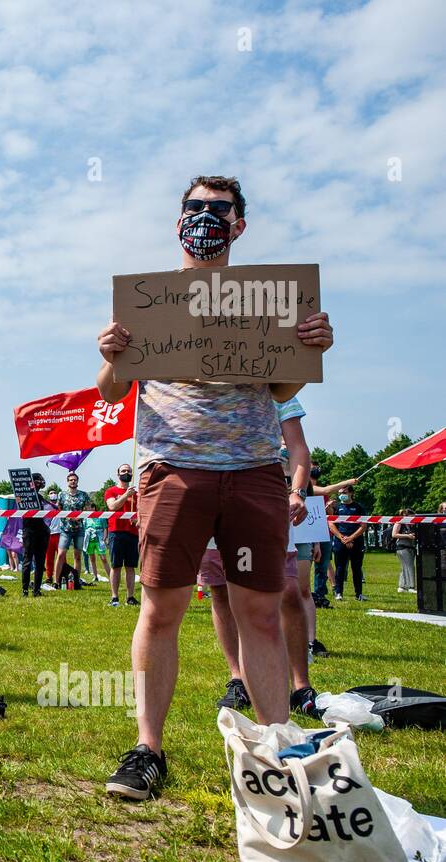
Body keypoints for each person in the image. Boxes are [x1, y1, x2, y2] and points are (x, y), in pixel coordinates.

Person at [94, 174, 333, 800]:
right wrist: (113, 353)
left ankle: (277, 748)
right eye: (194, 208)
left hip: (254, 467)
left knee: (259, 608)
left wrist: (307, 353)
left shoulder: (270, 301)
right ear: (178, 219)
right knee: (161, 607)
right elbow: (113, 391)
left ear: (239, 224)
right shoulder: (150, 300)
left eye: (218, 209)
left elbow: (279, 392)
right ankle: (148, 749)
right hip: (172, 468)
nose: (205, 217)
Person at [207, 398, 321, 717]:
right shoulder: (200, 376)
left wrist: (297, 491)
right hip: (208, 495)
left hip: (263, 498)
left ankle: (300, 685)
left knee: (287, 591)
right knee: (219, 590)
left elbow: (299, 447)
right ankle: (238, 678)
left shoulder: (275, 379)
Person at [307, 468, 357, 607]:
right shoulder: (305, 486)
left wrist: (328, 508)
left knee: (322, 567)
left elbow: (328, 513)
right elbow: (326, 490)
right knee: (306, 565)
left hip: (322, 532)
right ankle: (306, 595)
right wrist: (348, 482)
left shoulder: (318, 490)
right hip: (307, 532)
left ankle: (319, 595)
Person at [105, 464, 140, 607]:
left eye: (129, 471)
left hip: (132, 533)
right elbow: (112, 507)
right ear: (118, 473)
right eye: (124, 471)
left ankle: (130, 597)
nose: (126, 473)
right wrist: (126, 495)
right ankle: (115, 597)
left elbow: (141, 512)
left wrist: (137, 518)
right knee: (116, 566)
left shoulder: (137, 494)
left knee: (131, 567)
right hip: (116, 532)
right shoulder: (111, 491)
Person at [55, 471, 92, 586]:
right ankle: (56, 581)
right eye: (71, 480)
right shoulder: (62, 494)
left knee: (77, 556)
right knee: (61, 555)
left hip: (79, 529)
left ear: (77, 481)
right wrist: (67, 516)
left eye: (74, 480)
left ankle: (76, 581)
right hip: (65, 529)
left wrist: (80, 516)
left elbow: (89, 509)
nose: (73, 481)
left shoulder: (83, 495)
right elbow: (57, 509)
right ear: (67, 482)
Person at [330, 486, 365, 601]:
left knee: (356, 568)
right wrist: (342, 538)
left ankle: (359, 594)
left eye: (344, 492)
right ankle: (338, 593)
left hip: (356, 541)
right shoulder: (336, 507)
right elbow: (331, 524)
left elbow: (363, 526)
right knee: (340, 568)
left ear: (351, 493)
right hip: (340, 542)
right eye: (339, 492)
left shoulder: (359, 507)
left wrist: (351, 538)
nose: (341, 494)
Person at [20, 473, 51, 597]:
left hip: (41, 531)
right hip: (29, 531)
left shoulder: (40, 497)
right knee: (27, 560)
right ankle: (25, 590)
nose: (40, 483)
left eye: (41, 481)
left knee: (39, 562)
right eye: (37, 481)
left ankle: (36, 590)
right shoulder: (24, 497)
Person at [393, 507, 417, 593]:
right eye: (412, 517)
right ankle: (411, 587)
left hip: (410, 547)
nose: (413, 519)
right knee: (410, 566)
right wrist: (408, 536)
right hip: (402, 547)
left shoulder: (410, 525)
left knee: (405, 567)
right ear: (406, 516)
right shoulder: (399, 522)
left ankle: (402, 587)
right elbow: (394, 534)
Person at [84, 513, 109, 582]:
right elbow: (85, 529)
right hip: (89, 542)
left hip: (99, 541)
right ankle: (95, 577)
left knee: (103, 559)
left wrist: (104, 538)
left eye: (90, 508)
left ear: (93, 508)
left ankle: (111, 577)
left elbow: (105, 528)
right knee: (92, 559)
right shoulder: (86, 518)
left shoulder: (101, 517)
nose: (88, 510)